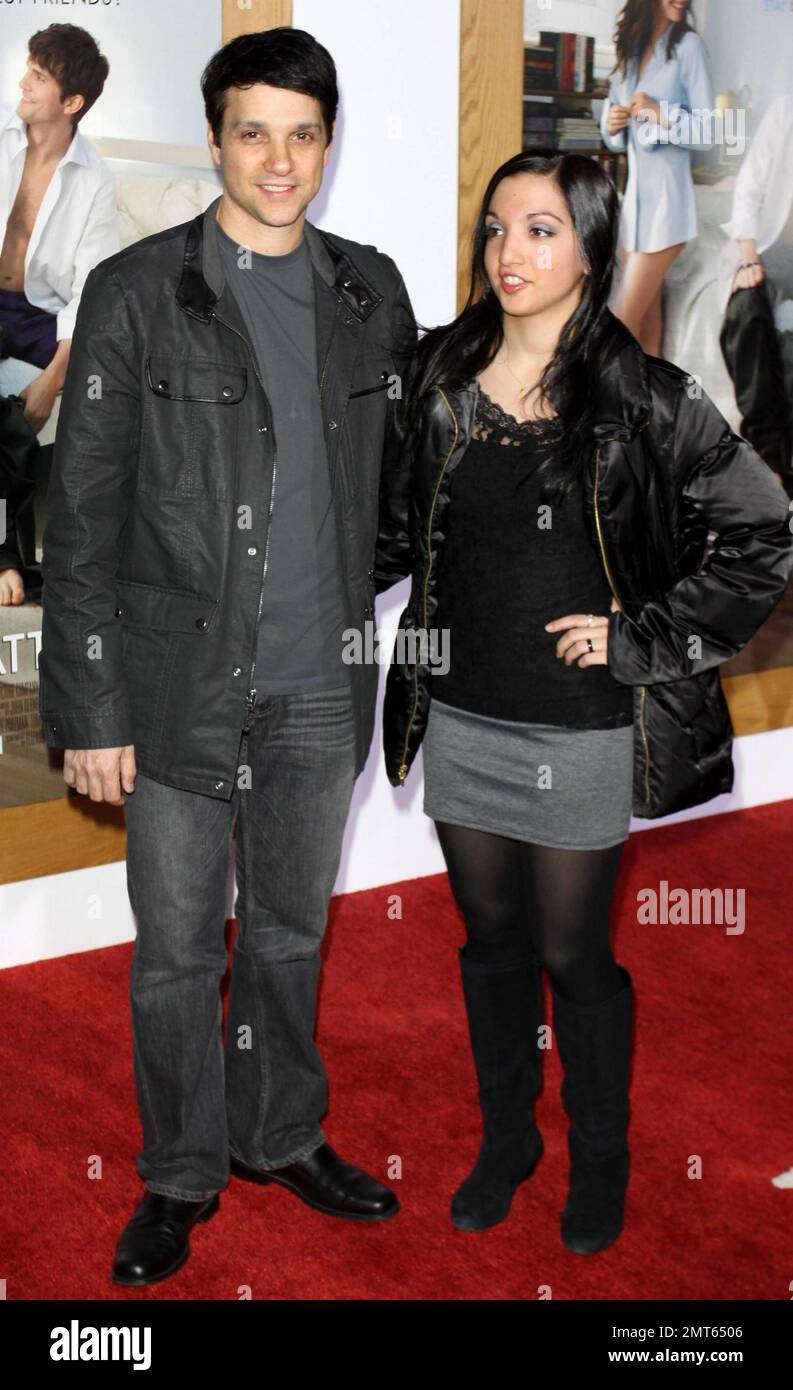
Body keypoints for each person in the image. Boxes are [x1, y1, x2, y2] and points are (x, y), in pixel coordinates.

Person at [38, 28, 417, 1287]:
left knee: (293, 934)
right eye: (252, 131)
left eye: (303, 133)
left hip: (322, 681)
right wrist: (89, 700)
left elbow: (409, 488)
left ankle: (279, 1134)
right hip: (176, 685)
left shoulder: (372, 292)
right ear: (215, 141)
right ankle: (180, 1173)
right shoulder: (140, 290)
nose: (279, 158)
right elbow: (80, 513)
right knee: (177, 950)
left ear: (327, 143)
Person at [381, 148, 793, 1255]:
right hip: (462, 712)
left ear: (593, 248)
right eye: (496, 228)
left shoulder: (648, 400)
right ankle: (508, 1137)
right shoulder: (435, 380)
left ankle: (598, 1156)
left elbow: (765, 532)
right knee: (490, 946)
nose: (508, 252)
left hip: (583, 729)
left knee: (574, 957)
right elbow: (387, 533)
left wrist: (640, 637)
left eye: (540, 230)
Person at [0, 23, 118, 605]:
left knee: (12, 409)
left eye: (38, 78)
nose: (22, 83)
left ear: (70, 103)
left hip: (35, 322)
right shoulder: (0, 139)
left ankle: (5, 556)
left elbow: (89, 296)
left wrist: (52, 380)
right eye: (29, 69)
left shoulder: (94, 182)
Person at [600, 0, 715, 355]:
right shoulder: (630, 52)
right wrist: (613, 124)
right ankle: (651, 409)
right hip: (635, 211)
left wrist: (660, 112)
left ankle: (605, 408)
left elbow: (710, 132)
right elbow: (614, 135)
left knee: (617, 323)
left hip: (668, 210)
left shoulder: (688, 47)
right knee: (647, 329)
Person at [717, 92, 793, 498]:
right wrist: (749, 261)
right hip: (772, 251)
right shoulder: (785, 109)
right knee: (747, 311)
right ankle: (768, 458)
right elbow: (749, 188)